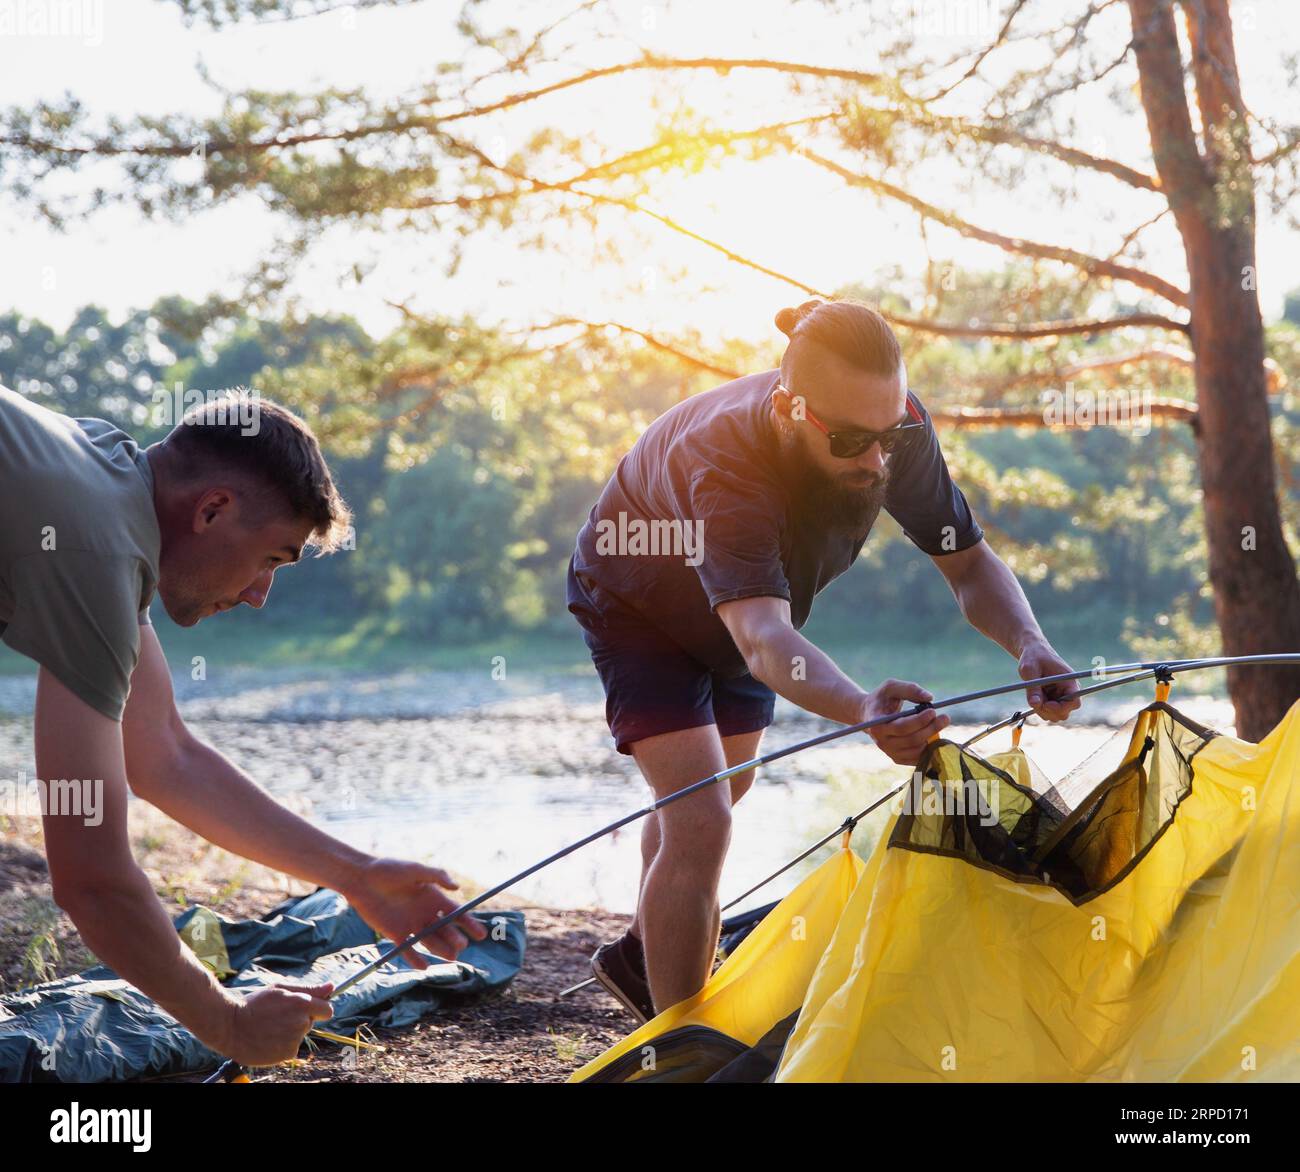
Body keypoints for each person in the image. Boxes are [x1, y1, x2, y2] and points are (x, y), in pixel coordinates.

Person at [566, 298, 1081, 1020]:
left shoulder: (893, 433)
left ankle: (639, 957)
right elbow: (762, 642)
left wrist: (1031, 643)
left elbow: (966, 564)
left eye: (889, 433)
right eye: (848, 442)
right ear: (787, 409)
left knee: (714, 796)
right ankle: (683, 1051)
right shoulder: (723, 462)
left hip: (750, 613)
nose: (875, 459)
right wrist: (863, 708)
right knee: (702, 814)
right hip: (640, 602)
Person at [0, 385, 486, 1068]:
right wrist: (226, 1023)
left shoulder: (107, 483)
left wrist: (356, 873)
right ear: (214, 509)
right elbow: (92, 882)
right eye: (271, 559)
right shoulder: (96, 548)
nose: (261, 595)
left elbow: (165, 755)